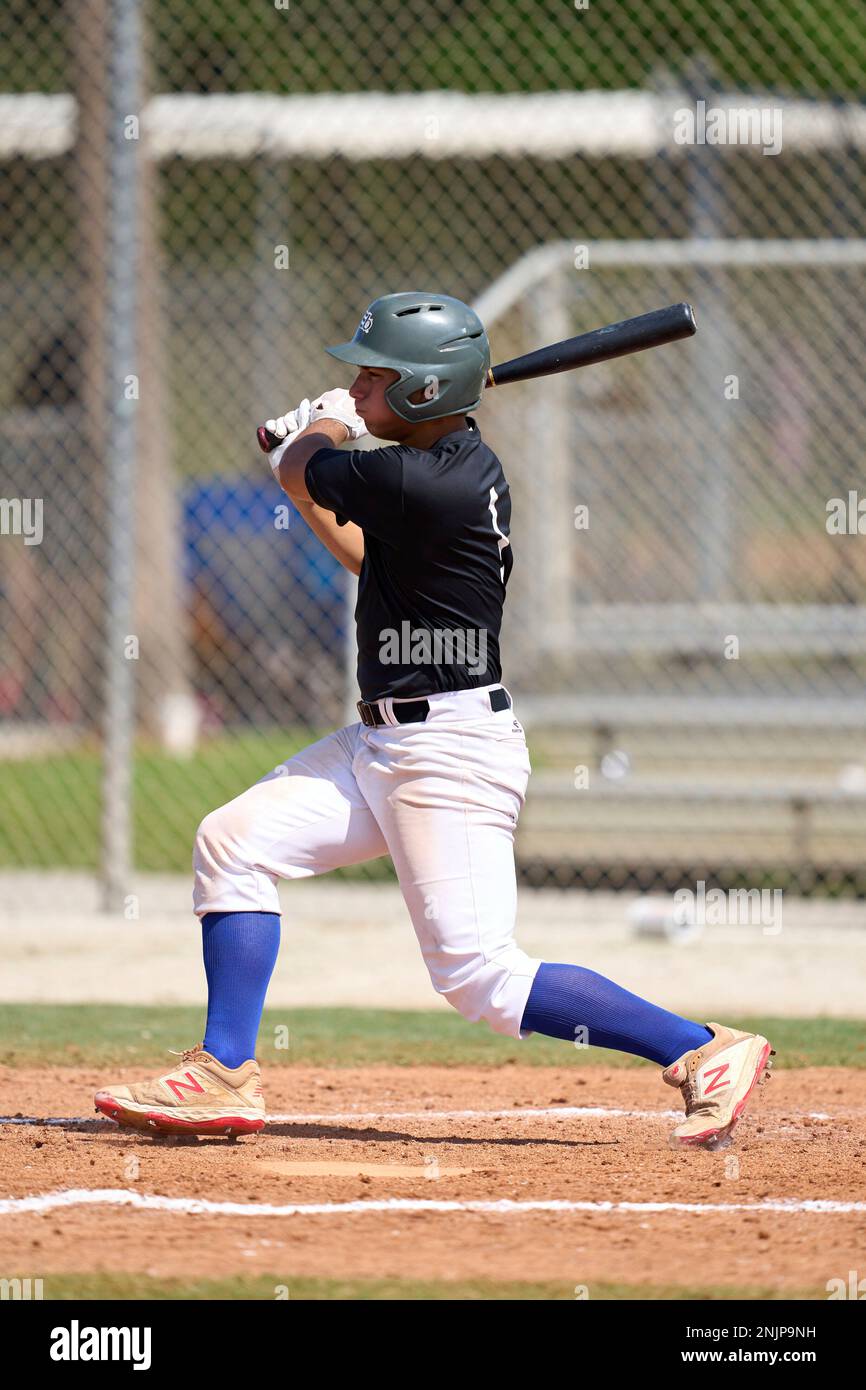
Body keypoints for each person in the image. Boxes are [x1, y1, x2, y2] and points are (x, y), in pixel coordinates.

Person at [94, 292, 773, 1149]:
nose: (357, 384)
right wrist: (314, 456)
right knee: (233, 842)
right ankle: (224, 1069)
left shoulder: (422, 476)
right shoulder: (441, 467)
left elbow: (302, 466)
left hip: (448, 751)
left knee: (481, 979)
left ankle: (704, 1049)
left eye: (375, 376)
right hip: (386, 739)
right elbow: (359, 548)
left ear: (424, 393)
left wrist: (321, 427)